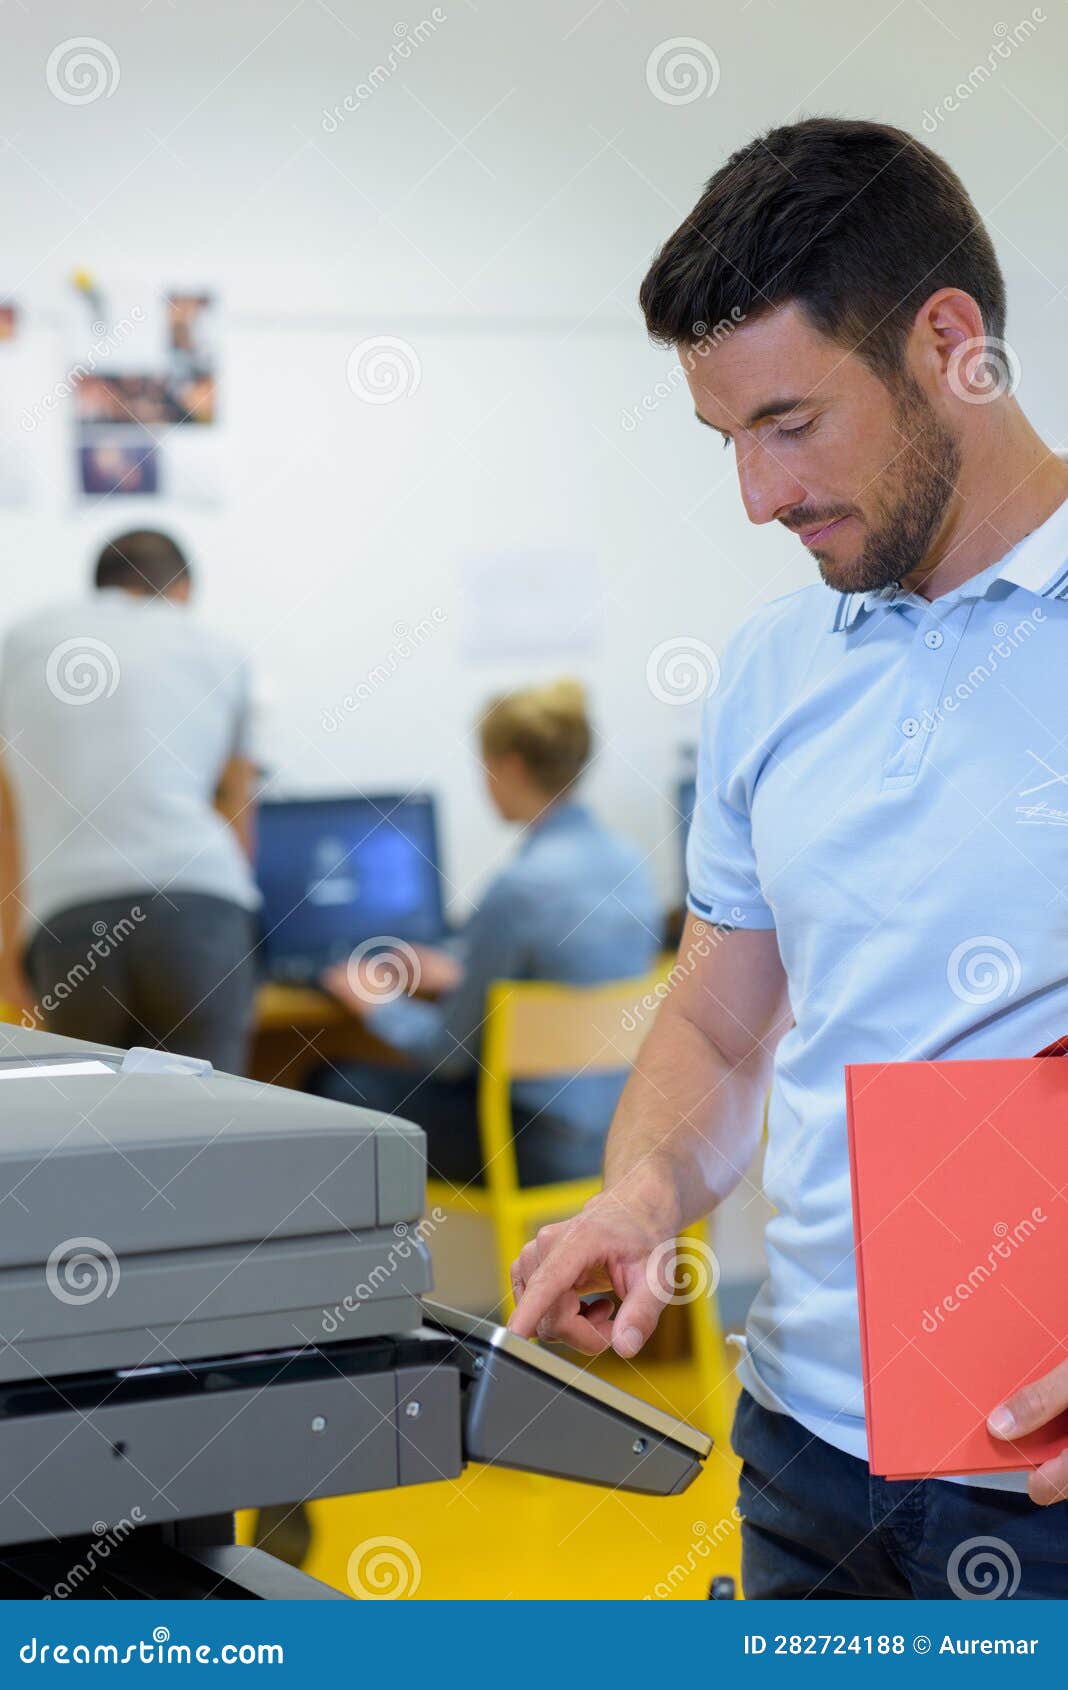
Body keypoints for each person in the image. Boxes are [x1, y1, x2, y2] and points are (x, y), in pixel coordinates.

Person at [508, 117, 1068, 1599]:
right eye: (728, 440)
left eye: (790, 423)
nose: (757, 498)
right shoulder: (769, 668)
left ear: (952, 344)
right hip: (806, 1456)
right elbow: (719, 1018)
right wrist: (640, 1193)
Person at [311, 679, 662, 1186]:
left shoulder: (519, 889)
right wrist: (464, 975)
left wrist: (373, 1001)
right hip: (615, 1133)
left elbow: (449, 1056)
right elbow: (565, 986)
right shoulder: (631, 865)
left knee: (331, 1085)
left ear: (511, 767)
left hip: (534, 1146)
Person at [0, 529, 260, 1074]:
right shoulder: (215, 646)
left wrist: (7, 957)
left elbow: (8, 818)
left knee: (88, 1133)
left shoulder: (19, 645)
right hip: (198, 909)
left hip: (69, 917)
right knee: (211, 1128)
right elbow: (238, 807)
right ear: (182, 591)